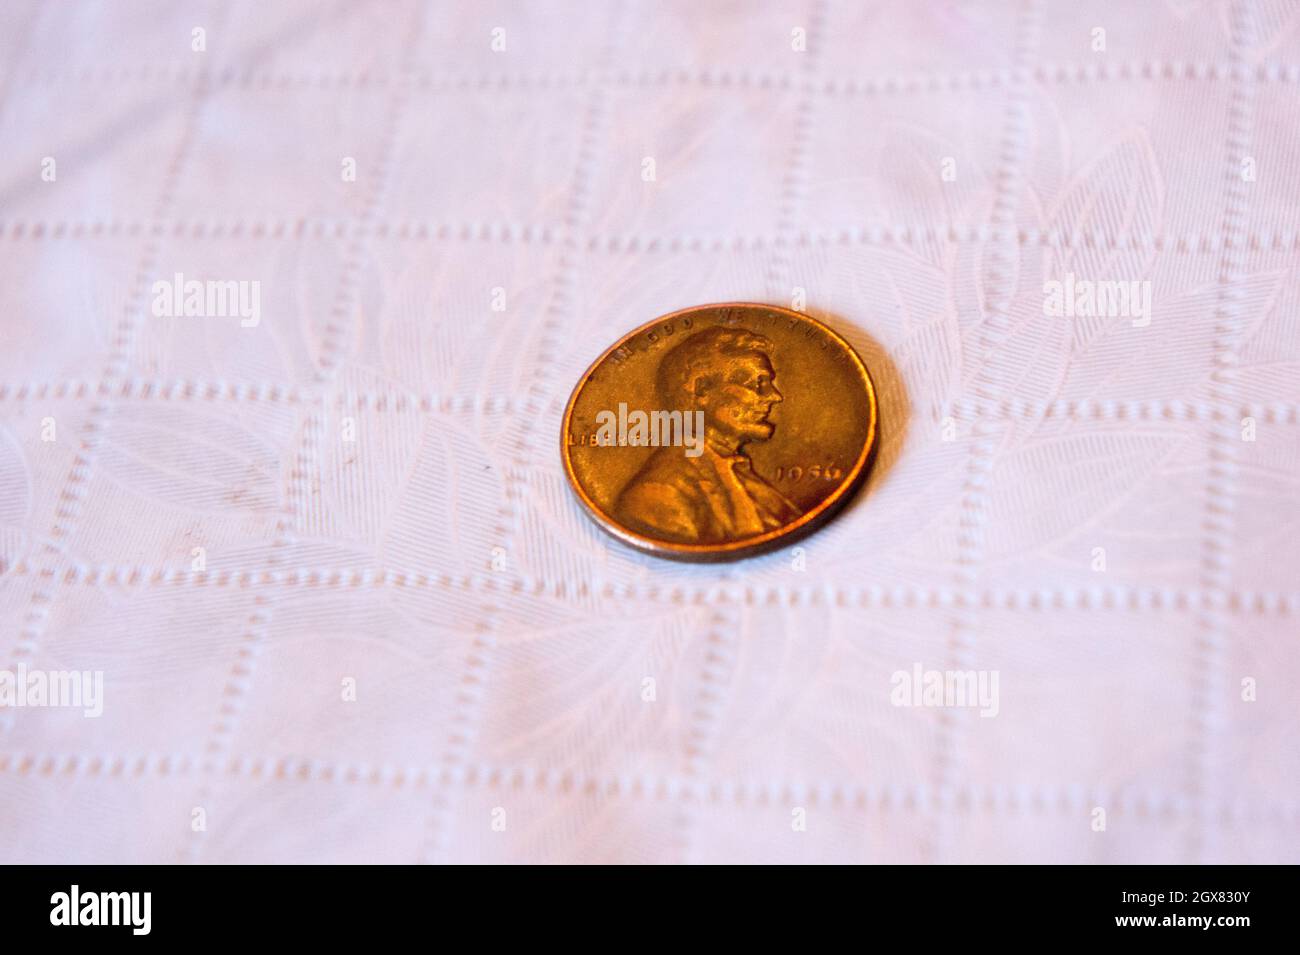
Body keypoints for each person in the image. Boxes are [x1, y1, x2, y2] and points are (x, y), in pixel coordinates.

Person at [616, 326, 801, 543]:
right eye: (758, 384)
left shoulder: (740, 474)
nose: (774, 397)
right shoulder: (657, 495)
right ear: (702, 390)